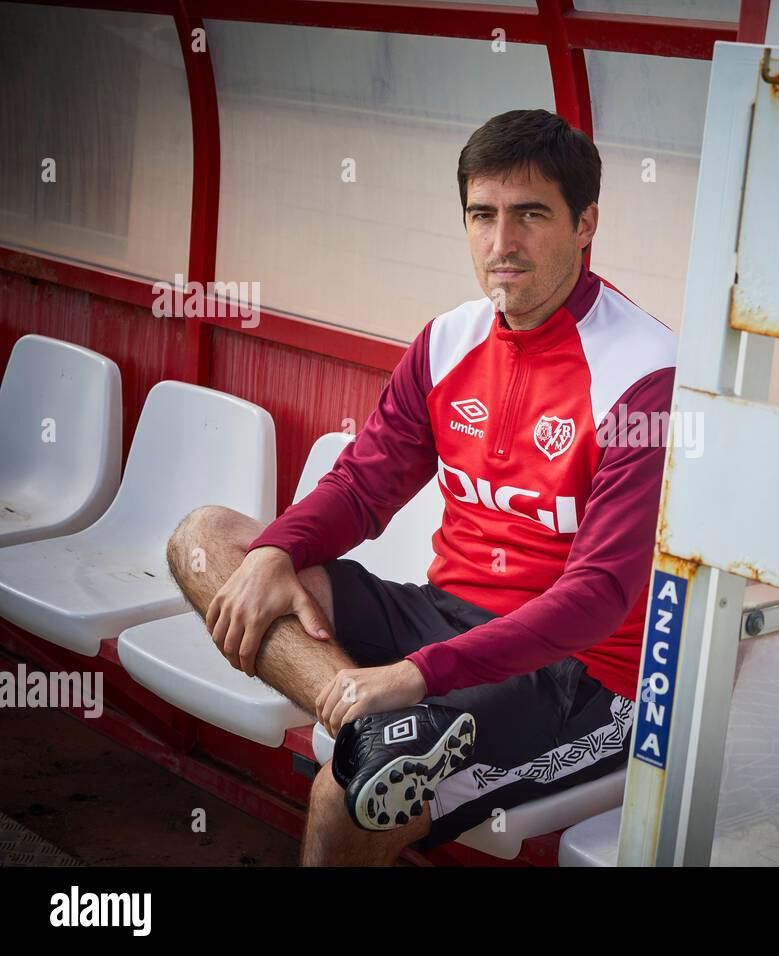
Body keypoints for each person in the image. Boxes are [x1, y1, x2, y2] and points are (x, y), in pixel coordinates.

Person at [166, 108, 677, 865]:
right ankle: (381, 736)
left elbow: (598, 595)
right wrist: (278, 552)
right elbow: (364, 487)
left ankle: (378, 744)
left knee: (344, 794)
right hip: (446, 617)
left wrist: (416, 676)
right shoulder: (448, 340)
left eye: (530, 215)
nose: (502, 243)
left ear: (585, 223)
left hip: (581, 676)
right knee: (208, 540)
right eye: (483, 215)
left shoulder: (645, 374)